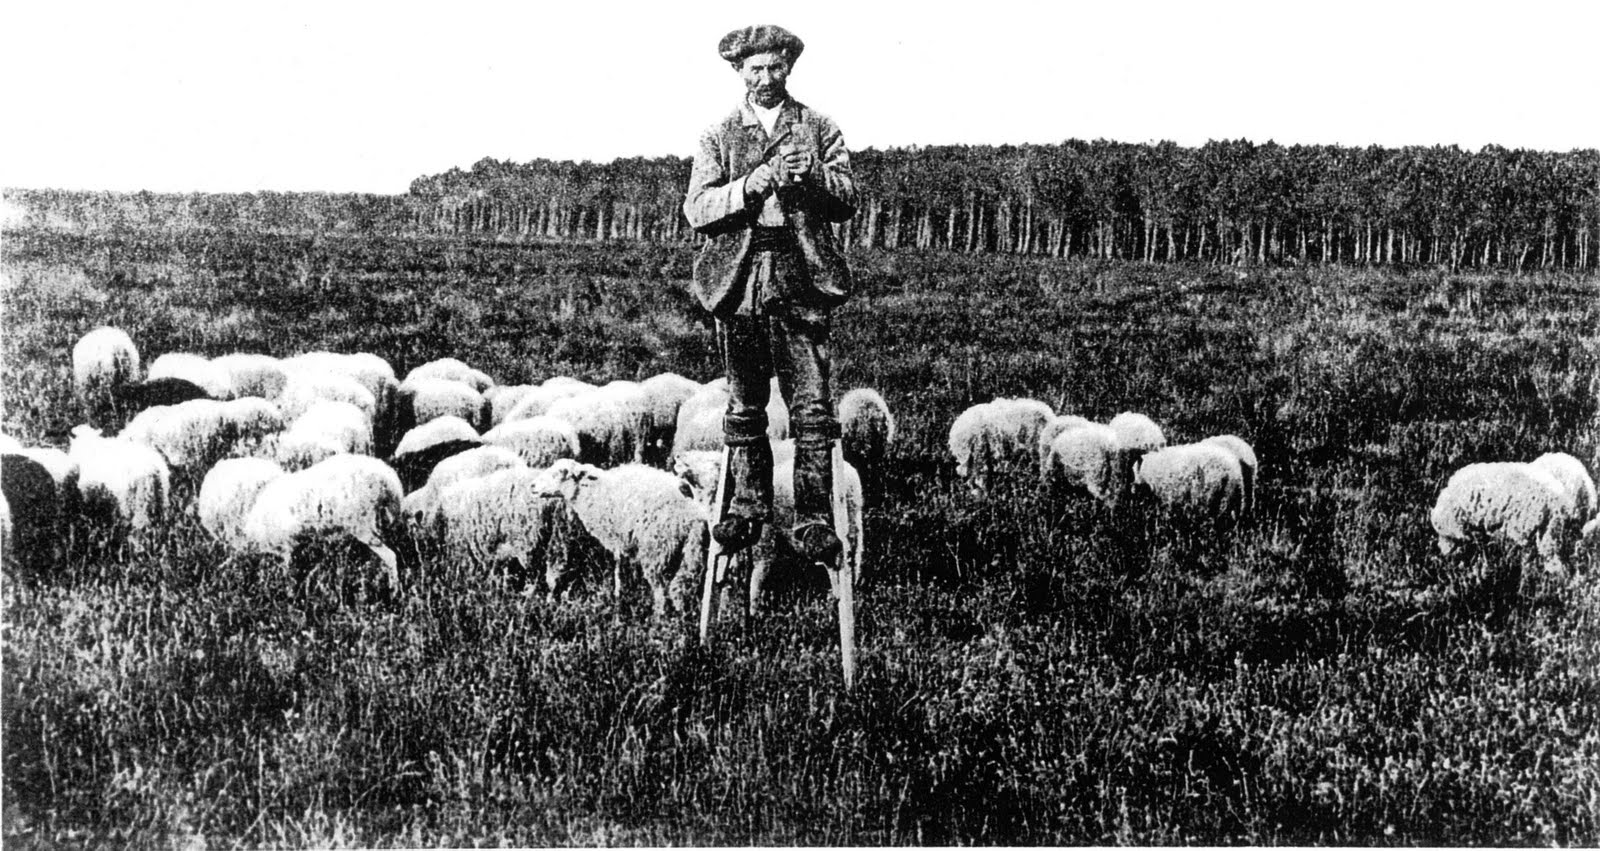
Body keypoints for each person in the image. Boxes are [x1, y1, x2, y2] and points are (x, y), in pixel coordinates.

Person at [682, 24, 857, 563]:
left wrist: (817, 180)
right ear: (739, 72)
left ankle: (812, 519)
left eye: (774, 67)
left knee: (811, 406)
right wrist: (752, 184)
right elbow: (698, 209)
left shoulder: (818, 127)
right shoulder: (718, 136)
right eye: (754, 69)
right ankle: (748, 508)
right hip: (738, 280)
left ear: (789, 68)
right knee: (744, 404)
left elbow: (848, 197)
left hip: (800, 274)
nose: (765, 78)